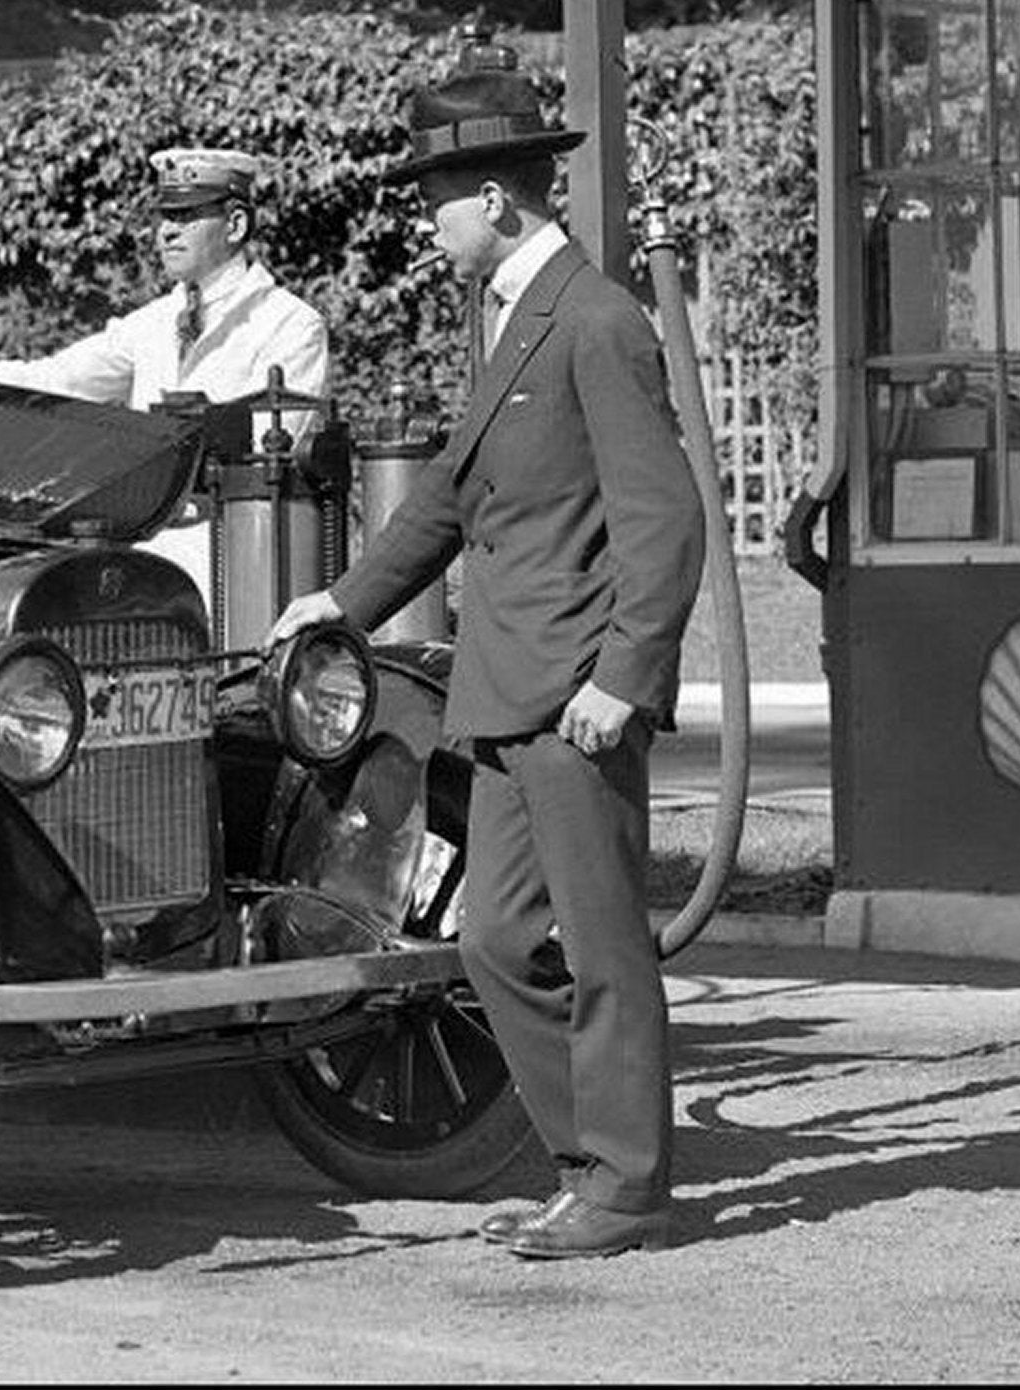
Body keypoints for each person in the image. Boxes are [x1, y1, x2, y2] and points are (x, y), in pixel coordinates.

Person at [272, 63, 703, 1260]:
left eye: (440, 198)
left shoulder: (598, 320)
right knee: (492, 943)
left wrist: (627, 676)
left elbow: (666, 519)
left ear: (500, 202)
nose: (428, 219)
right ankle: (592, 1168)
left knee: (606, 943)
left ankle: (624, 1189)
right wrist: (343, 603)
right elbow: (454, 500)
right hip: (508, 693)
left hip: (574, 695)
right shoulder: (517, 315)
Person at [0, 145, 329, 409]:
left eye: (186, 215)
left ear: (235, 225)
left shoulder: (290, 325)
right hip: (150, 517)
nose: (167, 232)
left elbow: (269, 455)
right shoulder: (151, 323)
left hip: (241, 517)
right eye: (165, 217)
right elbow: (56, 381)